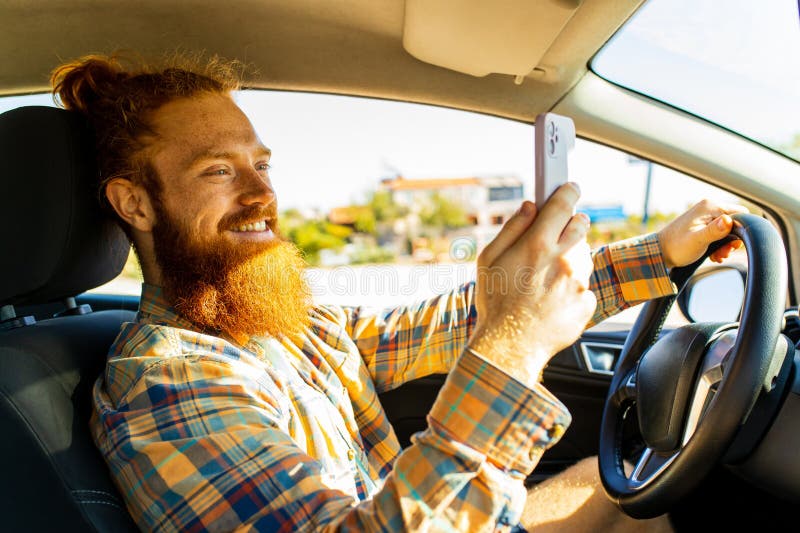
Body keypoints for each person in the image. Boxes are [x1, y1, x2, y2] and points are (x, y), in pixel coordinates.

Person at [52, 54, 745, 532]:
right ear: (135, 204)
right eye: (217, 171)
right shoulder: (166, 383)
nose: (263, 192)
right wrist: (516, 344)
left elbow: (439, 322)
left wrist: (662, 252)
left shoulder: (280, 326)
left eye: (261, 164)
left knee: (619, 482)